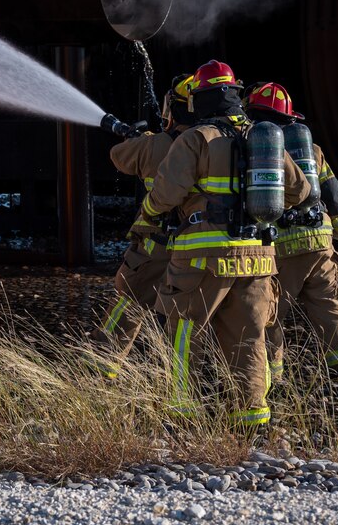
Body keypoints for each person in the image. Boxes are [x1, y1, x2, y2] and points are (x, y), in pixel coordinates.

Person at [141, 61, 310, 429]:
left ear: (200, 100)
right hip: (259, 259)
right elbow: (301, 191)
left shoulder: (196, 138)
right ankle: (252, 421)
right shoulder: (263, 137)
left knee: (184, 329)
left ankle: (181, 413)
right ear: (235, 95)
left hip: (203, 258)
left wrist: (150, 211)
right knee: (249, 338)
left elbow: (166, 193)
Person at [242, 82, 338, 396]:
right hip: (320, 242)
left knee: (271, 315)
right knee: (330, 306)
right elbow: (333, 194)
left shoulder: (254, 145)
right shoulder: (310, 149)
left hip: (281, 248)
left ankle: (275, 381)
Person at [88, 75, 196, 376]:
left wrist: (136, 138)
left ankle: (102, 364)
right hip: (201, 245)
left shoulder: (155, 145)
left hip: (158, 245)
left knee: (131, 301)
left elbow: (117, 157)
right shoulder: (215, 144)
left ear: (173, 109)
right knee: (194, 314)